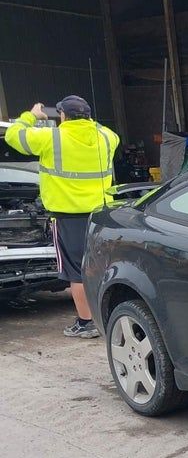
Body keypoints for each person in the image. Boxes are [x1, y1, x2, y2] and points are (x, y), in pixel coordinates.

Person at [4, 96, 119, 338]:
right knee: (99, 268)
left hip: (69, 217)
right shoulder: (107, 137)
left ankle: (86, 323)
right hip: (101, 215)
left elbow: (14, 135)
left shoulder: (51, 138)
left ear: (63, 116)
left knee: (76, 272)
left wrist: (31, 115)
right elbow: (99, 129)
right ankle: (107, 318)